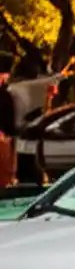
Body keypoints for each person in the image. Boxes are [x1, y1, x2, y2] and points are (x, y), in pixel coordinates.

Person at [0, 57, 16, 187]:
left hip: (5, 135)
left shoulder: (6, 92)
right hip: (2, 137)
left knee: (6, 172)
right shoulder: (5, 93)